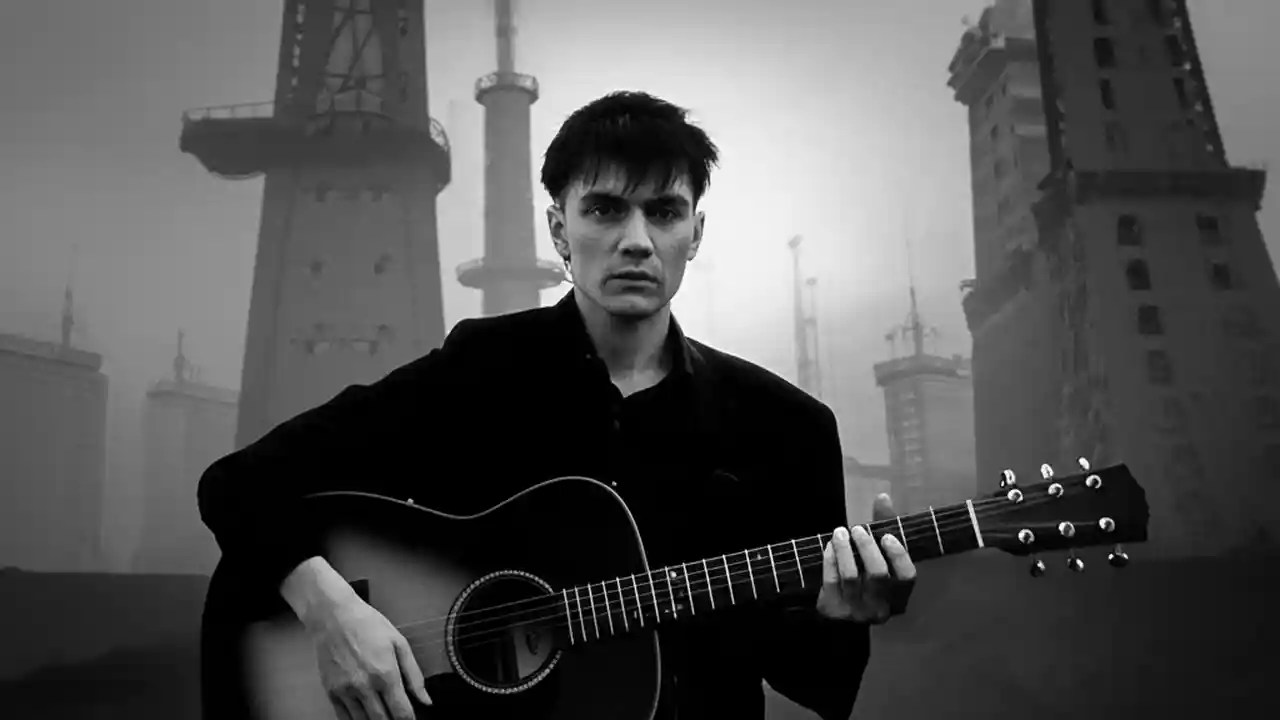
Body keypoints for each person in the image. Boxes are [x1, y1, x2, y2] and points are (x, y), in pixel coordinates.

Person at [197, 90, 917, 720]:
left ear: (695, 233)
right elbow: (235, 484)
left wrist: (848, 613)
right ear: (558, 229)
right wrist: (333, 613)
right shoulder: (480, 370)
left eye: (664, 211)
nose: (636, 241)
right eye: (605, 208)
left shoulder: (784, 428)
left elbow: (814, 678)